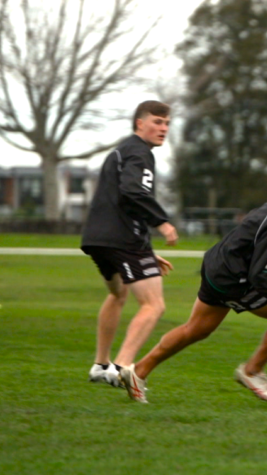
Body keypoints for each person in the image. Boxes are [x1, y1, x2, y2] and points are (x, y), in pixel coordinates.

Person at [117, 165, 267, 403]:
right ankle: (252, 371)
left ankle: (137, 372)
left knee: (196, 329)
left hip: (220, 265)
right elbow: (261, 276)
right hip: (234, 277)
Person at [81, 100, 178, 388]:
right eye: (157, 122)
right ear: (140, 123)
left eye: (167, 123)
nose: (163, 128)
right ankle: (120, 367)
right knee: (154, 305)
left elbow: (118, 200)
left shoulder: (121, 151)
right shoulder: (139, 152)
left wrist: (147, 252)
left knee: (118, 294)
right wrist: (162, 222)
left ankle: (101, 364)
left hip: (98, 239)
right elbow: (133, 192)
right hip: (124, 240)